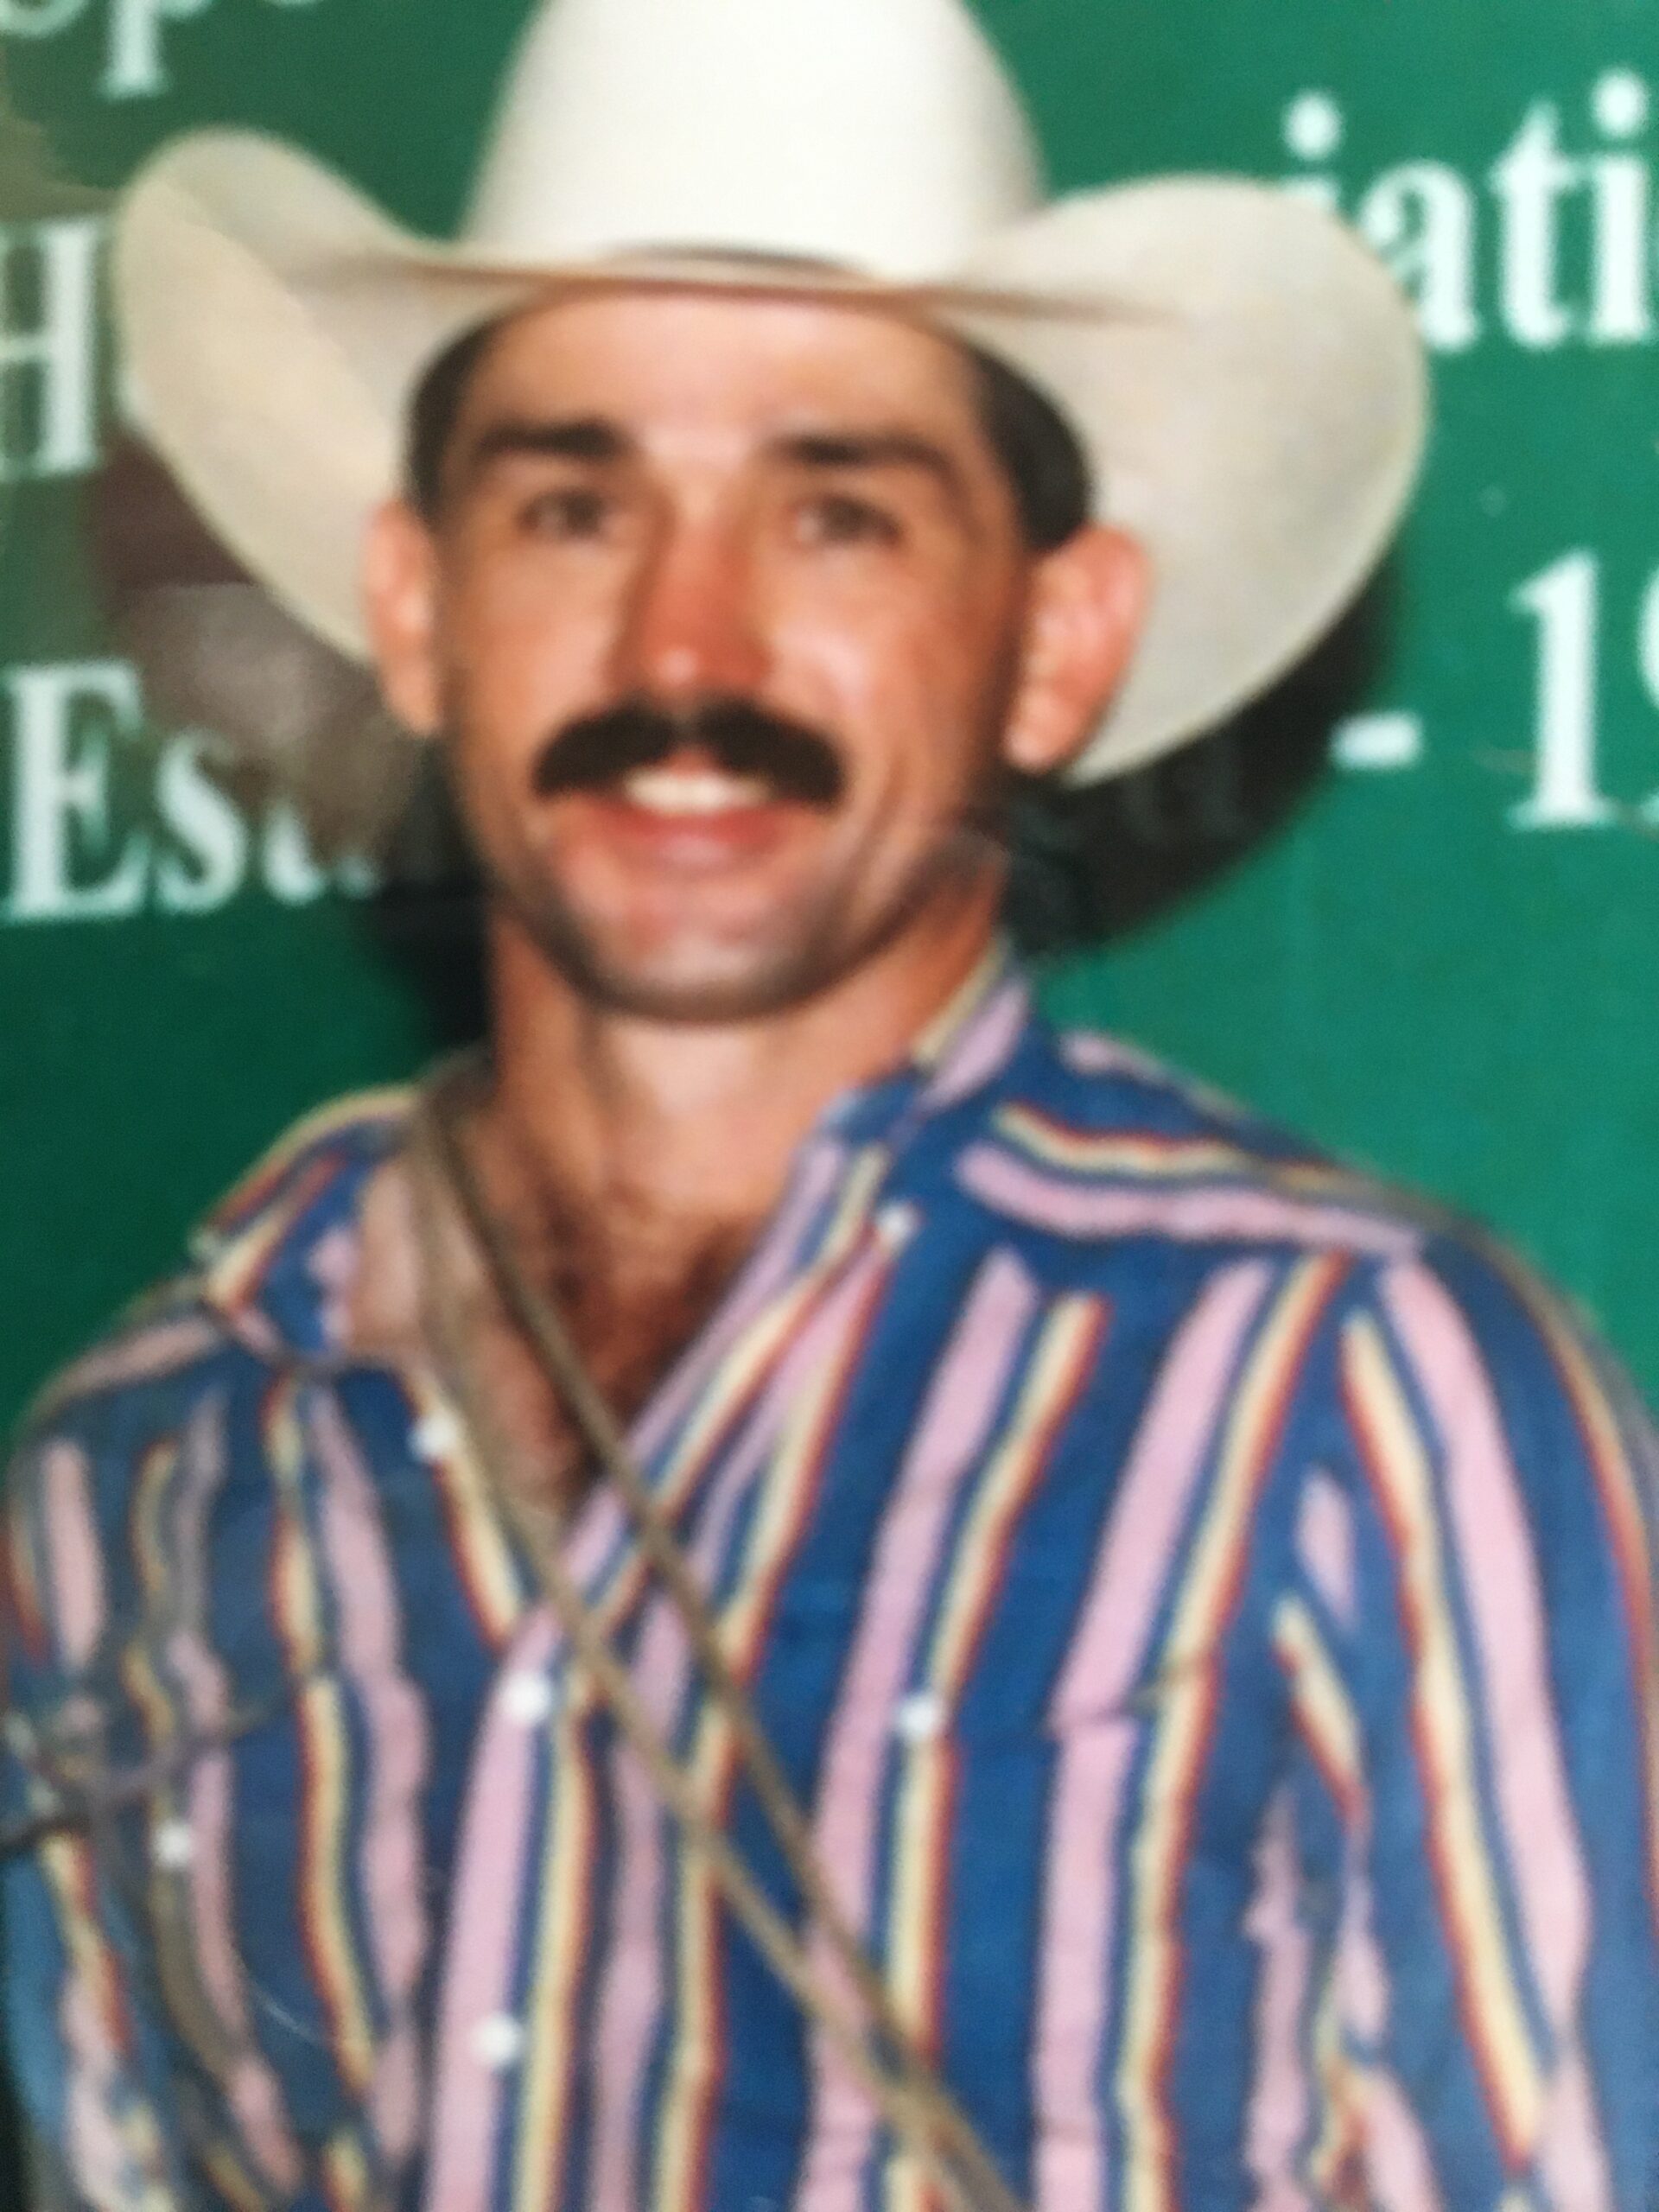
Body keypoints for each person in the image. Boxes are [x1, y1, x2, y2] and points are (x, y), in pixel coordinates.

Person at [5, 0, 1658, 2204]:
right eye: (576, 502)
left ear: (1054, 644)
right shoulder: (138, 1467)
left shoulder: (1360, 1400)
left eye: (840, 515)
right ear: (417, 607)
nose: (687, 646)